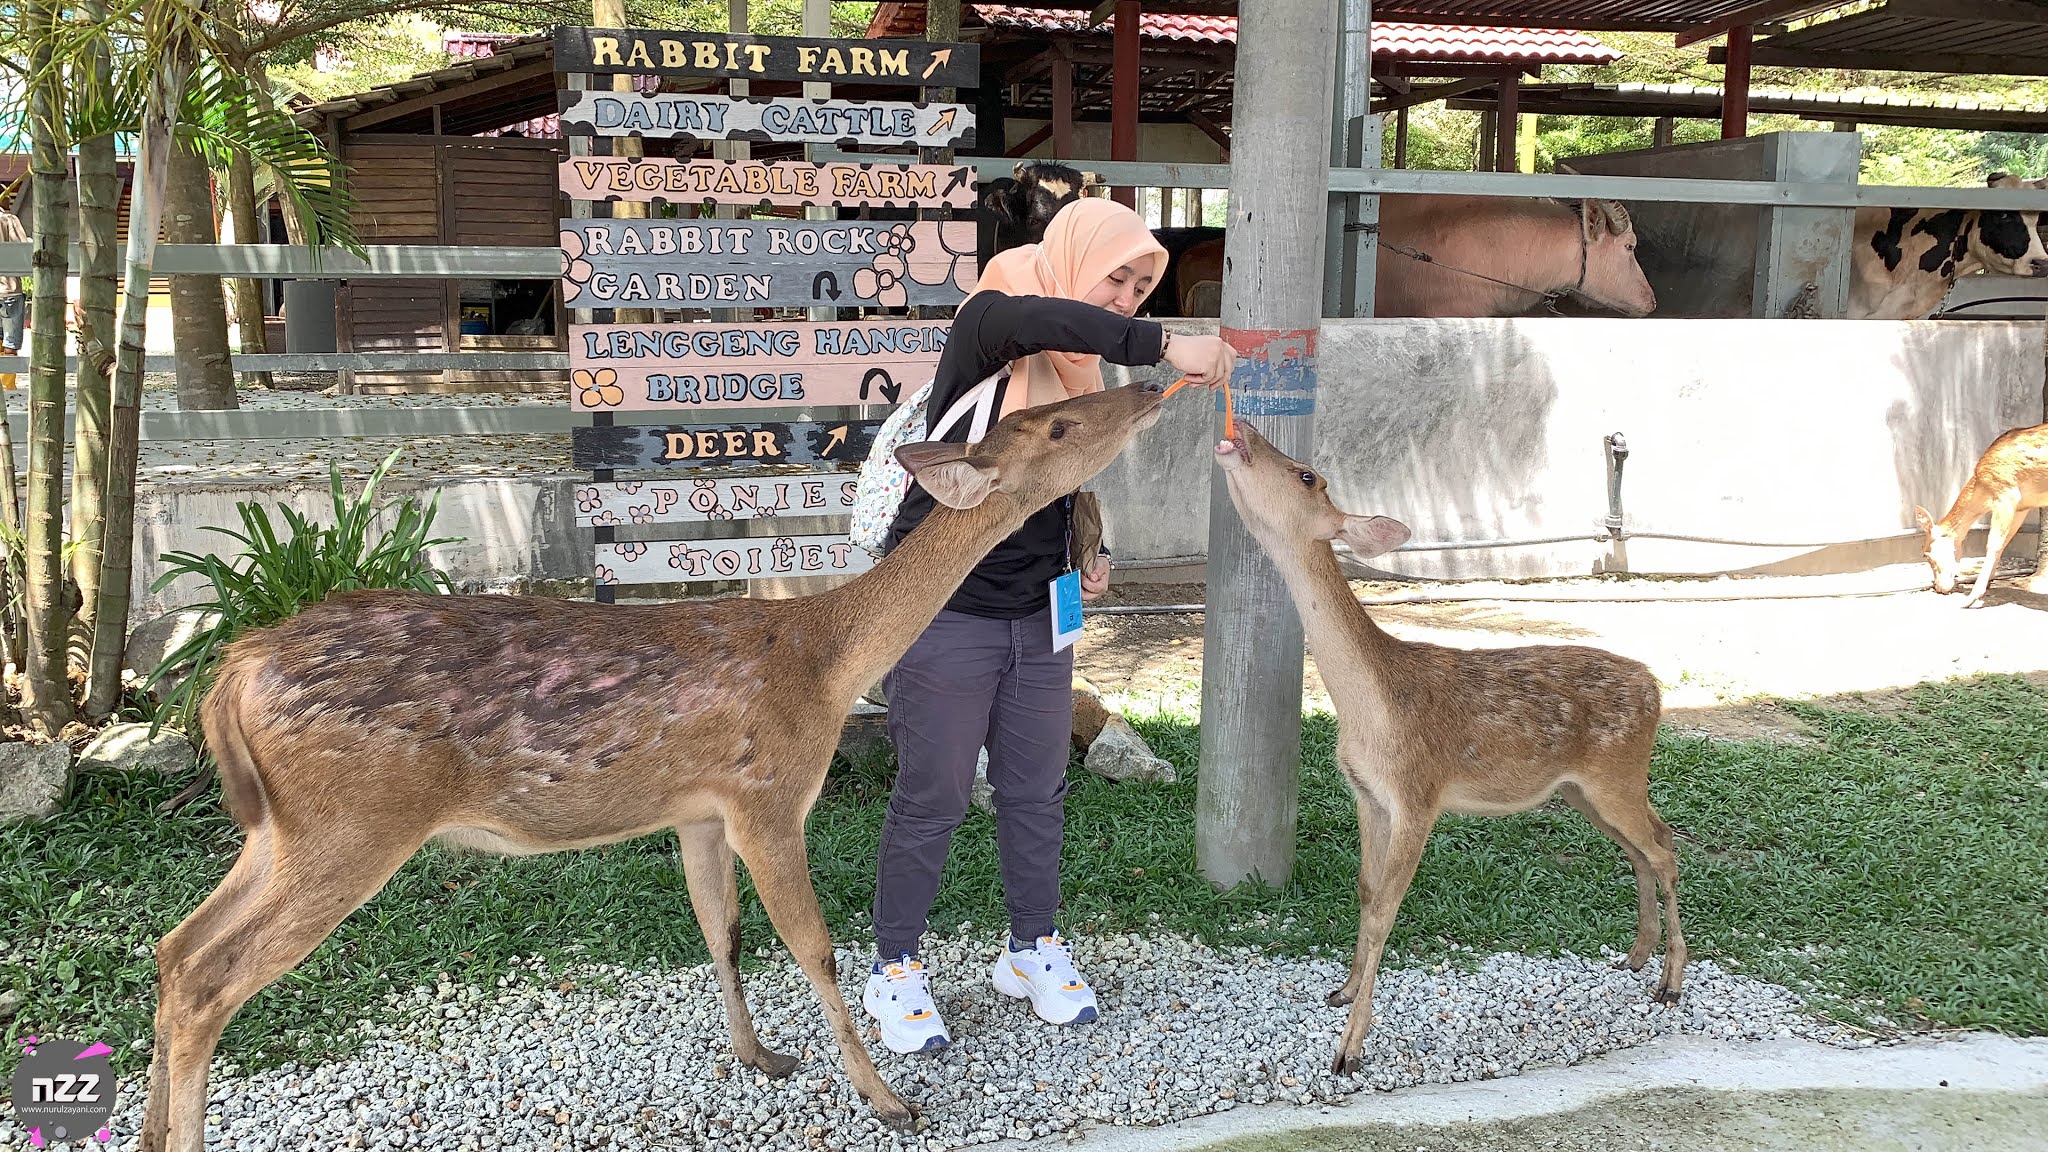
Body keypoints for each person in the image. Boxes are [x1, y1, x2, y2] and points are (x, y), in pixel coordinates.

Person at [864, 197, 1238, 1054]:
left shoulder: (1079, 373)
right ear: (1069, 259)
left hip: (1041, 616)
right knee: (934, 797)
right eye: (1118, 277)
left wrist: (1089, 551)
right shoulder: (992, 322)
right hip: (945, 614)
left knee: (1037, 793)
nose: (1127, 299)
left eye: (1145, 289)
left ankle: (1030, 948)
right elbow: (1041, 317)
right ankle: (895, 967)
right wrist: (1164, 342)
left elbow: (1060, 481)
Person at [0, 202, 28, 390]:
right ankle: (6, 386)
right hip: (9, 289)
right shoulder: (9, 220)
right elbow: (23, 250)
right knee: (10, 343)